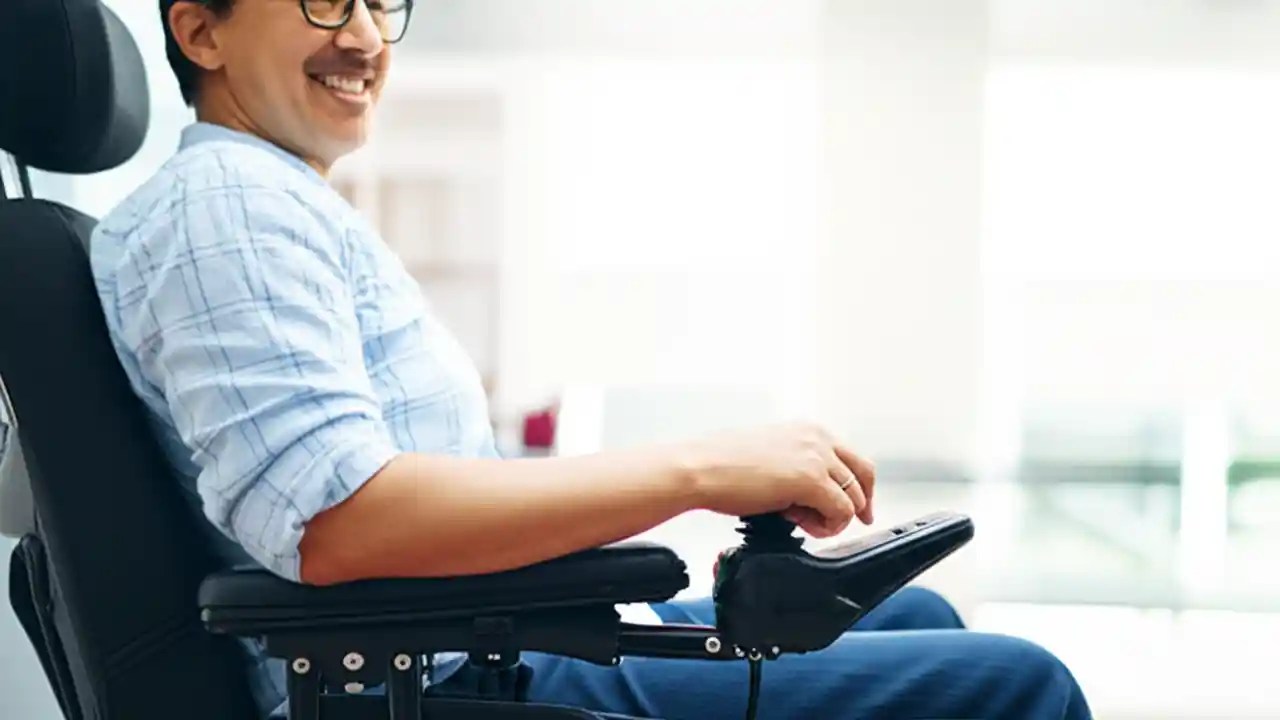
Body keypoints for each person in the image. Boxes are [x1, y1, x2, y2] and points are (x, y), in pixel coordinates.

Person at [65, 1, 1093, 717]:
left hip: (471, 637)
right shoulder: (224, 213)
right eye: (326, 3)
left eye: (382, 2)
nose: (369, 37)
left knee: (916, 615)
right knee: (1020, 686)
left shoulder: (269, 202)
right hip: (433, 678)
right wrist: (696, 473)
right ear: (199, 30)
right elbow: (337, 525)